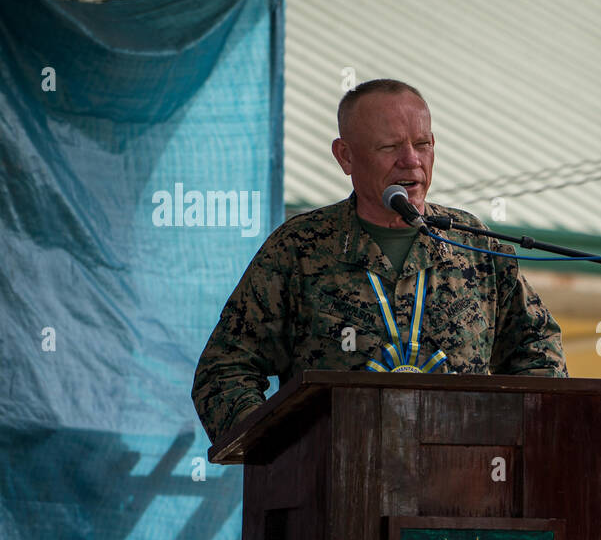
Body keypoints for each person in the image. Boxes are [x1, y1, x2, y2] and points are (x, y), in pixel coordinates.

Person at [192, 78, 567, 443]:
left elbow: (537, 349)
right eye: (389, 147)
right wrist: (278, 448)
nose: (411, 160)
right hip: (332, 485)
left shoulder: (473, 243)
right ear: (346, 156)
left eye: (422, 143)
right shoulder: (298, 248)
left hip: (464, 485)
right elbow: (224, 369)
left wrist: (516, 435)